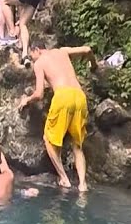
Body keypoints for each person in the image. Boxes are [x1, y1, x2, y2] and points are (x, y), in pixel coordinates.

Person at [18, 42, 98, 191]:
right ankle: (82, 184)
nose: (32, 59)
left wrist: (26, 100)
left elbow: (39, 94)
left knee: (48, 140)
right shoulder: (62, 51)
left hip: (63, 98)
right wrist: (93, 65)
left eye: (31, 55)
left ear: (37, 50)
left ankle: (64, 178)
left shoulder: (40, 63)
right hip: (79, 97)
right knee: (77, 144)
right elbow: (87, 49)